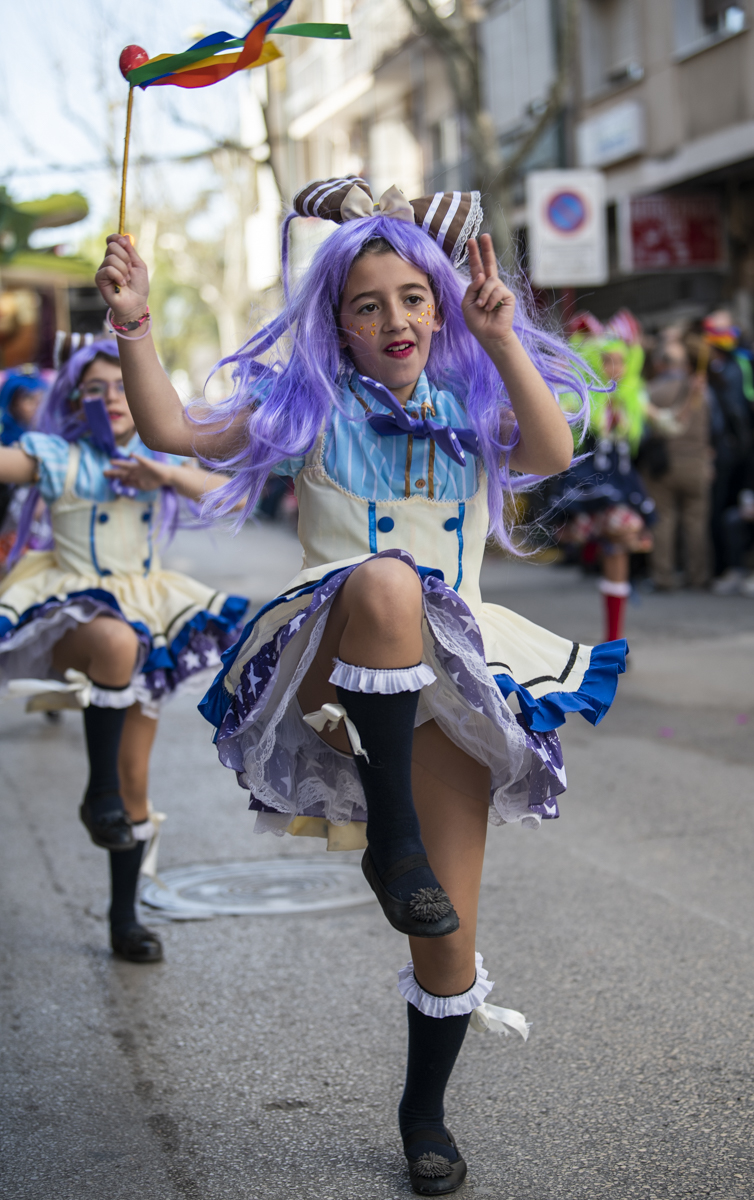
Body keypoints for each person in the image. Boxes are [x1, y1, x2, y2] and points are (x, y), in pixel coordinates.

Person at [95, 178, 627, 1195]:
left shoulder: (472, 403)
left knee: (452, 948)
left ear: (440, 306)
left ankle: (422, 1111)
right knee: (387, 584)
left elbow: (552, 452)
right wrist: (134, 326)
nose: (395, 319)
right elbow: (169, 430)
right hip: (329, 658)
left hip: (454, 680)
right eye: (368, 303)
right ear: (336, 323)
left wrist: (502, 337)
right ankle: (392, 839)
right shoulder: (310, 406)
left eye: (412, 299)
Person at [0, 339, 249, 963]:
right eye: (94, 390)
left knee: (136, 778)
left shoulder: (153, 457)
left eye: (120, 388)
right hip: (70, 607)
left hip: (147, 611)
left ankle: (123, 917)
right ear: (73, 401)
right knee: (114, 638)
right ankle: (97, 793)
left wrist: (163, 472)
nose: (111, 399)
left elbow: (236, 497)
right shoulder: (55, 456)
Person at [549, 316, 655, 642]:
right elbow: (560, 413)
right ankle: (590, 540)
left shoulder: (634, 400)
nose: (614, 368)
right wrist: (561, 377)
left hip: (622, 485)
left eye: (620, 361)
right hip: (591, 481)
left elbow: (668, 423)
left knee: (621, 543)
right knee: (615, 535)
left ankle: (614, 640)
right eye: (607, 361)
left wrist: (689, 403)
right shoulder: (584, 397)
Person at [642, 341, 712, 590]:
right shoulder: (702, 390)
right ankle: (699, 576)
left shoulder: (651, 391)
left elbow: (642, 431)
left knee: (663, 520)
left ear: (660, 364)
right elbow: (718, 426)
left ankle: (663, 577)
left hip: (664, 466)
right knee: (696, 522)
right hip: (697, 463)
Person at [703, 311, 754, 578]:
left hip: (736, 450)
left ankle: (730, 566)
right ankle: (725, 567)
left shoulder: (741, 365)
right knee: (722, 509)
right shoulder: (711, 368)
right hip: (728, 450)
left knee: (729, 507)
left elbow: (741, 407)